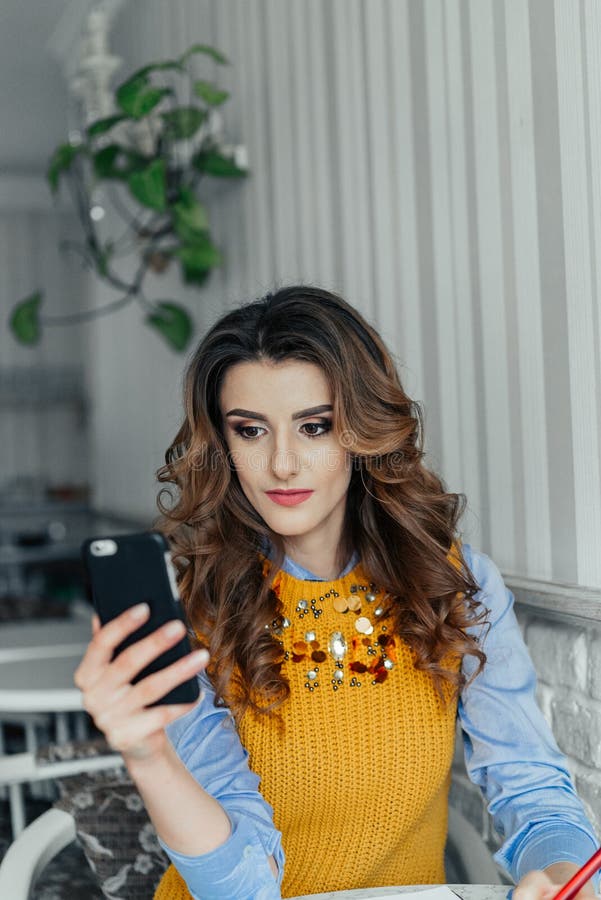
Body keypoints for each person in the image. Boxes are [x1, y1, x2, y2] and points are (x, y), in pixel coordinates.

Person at [75, 286, 600, 900]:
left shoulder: (454, 585)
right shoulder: (197, 614)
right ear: (223, 445)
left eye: (314, 426)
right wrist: (147, 757)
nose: (282, 464)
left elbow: (533, 791)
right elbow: (242, 888)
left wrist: (563, 875)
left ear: (362, 432)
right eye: (250, 431)